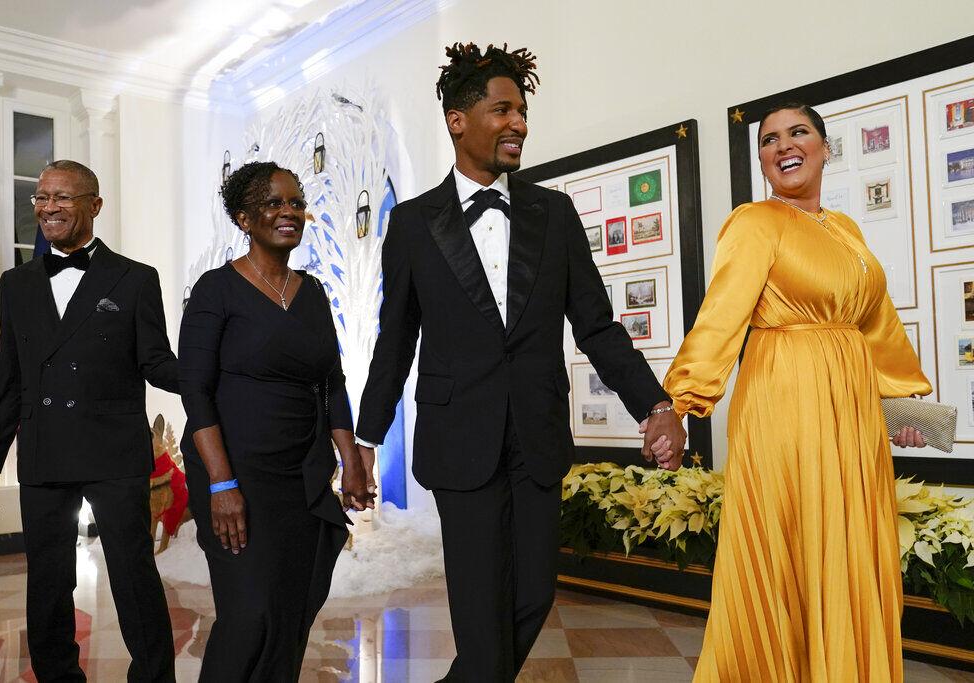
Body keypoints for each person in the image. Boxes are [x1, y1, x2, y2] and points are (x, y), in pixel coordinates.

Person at [353, 43, 686, 682]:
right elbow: (395, 339)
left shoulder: (553, 214)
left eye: (523, 112)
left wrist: (655, 404)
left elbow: (597, 326)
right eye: (503, 109)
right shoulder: (415, 225)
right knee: (481, 609)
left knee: (532, 595)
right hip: (459, 439)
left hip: (535, 435)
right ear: (458, 119)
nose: (520, 124)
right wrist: (366, 438)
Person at [656, 103, 930, 682]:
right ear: (761, 159)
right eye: (769, 139)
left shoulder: (847, 230)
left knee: (850, 543)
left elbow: (878, 323)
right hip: (785, 397)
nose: (783, 145)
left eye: (798, 133)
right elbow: (721, 315)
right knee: (790, 541)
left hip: (851, 407)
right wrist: (678, 404)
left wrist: (903, 400)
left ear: (825, 148)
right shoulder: (755, 221)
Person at [0, 160, 178, 682]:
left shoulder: (135, 279)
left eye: (62, 197)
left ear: (94, 205)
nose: (48, 208)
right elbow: (10, 379)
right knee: (47, 582)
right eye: (41, 198)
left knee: (133, 576)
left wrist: (214, 372)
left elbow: (156, 362)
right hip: (45, 450)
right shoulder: (15, 283)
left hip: (114, 451)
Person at [178, 161, 373, 682]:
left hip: (302, 475)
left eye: (295, 202)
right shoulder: (215, 290)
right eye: (273, 203)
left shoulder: (312, 294)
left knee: (293, 608)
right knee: (250, 615)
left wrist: (352, 461)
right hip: (236, 472)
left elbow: (331, 382)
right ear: (243, 218)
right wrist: (222, 483)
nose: (289, 212)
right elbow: (195, 393)